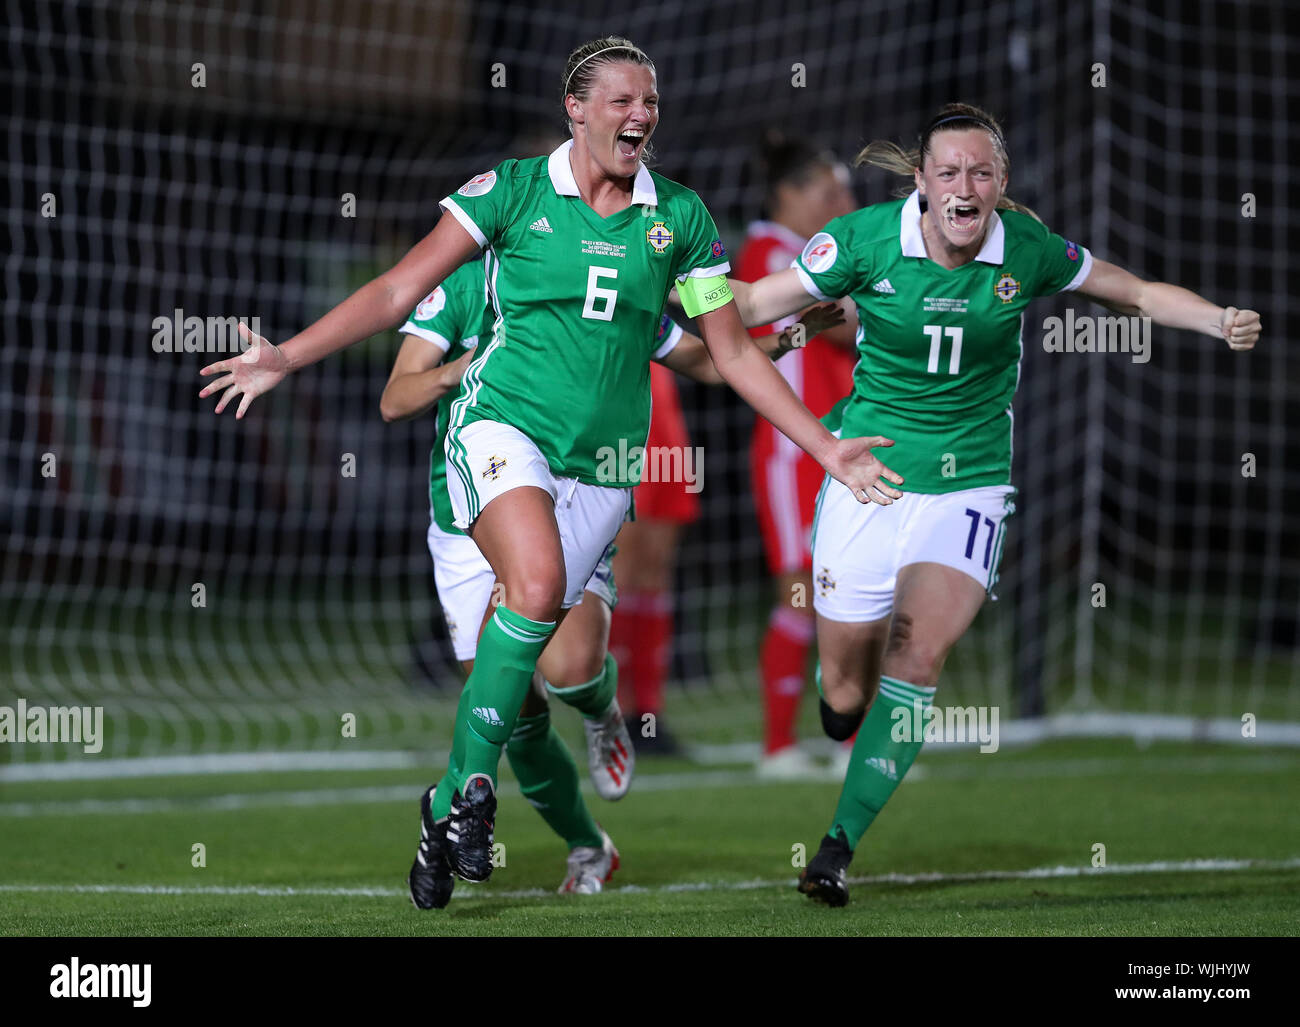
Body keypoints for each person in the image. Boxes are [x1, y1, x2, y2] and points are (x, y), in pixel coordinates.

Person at [198, 35, 896, 888]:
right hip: (500, 435)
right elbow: (390, 294)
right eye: (621, 100)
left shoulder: (678, 218)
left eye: (651, 102)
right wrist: (286, 357)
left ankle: (582, 725)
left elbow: (723, 356)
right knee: (529, 602)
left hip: (600, 468)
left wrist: (821, 434)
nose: (641, 114)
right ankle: (469, 794)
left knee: (564, 670)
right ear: (575, 108)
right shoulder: (510, 194)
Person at [730, 102, 1260, 906]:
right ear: (922, 180)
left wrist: (1218, 319)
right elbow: (751, 306)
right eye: (949, 172)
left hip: (970, 482)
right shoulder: (866, 240)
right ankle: (841, 712)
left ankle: (835, 846)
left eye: (981, 172)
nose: (965, 187)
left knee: (917, 653)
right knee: (843, 684)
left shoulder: (1029, 249)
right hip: (868, 474)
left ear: (1000, 183)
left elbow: (1139, 295)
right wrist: (654, 291)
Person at [383, 256, 833, 905]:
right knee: (517, 713)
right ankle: (586, 842)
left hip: (568, 498)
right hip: (465, 515)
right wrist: (477, 361)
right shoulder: (460, 284)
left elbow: (707, 360)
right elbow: (395, 396)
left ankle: (590, 713)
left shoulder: (598, 275)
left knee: (568, 670)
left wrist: (791, 335)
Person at [735, 133, 858, 779]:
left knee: (846, 588)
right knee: (802, 592)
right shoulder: (770, 253)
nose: (844, 201)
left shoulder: (812, 252)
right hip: (792, 455)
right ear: (788, 194)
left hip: (835, 444)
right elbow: (839, 323)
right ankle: (778, 746)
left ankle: (844, 743)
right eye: (829, 189)